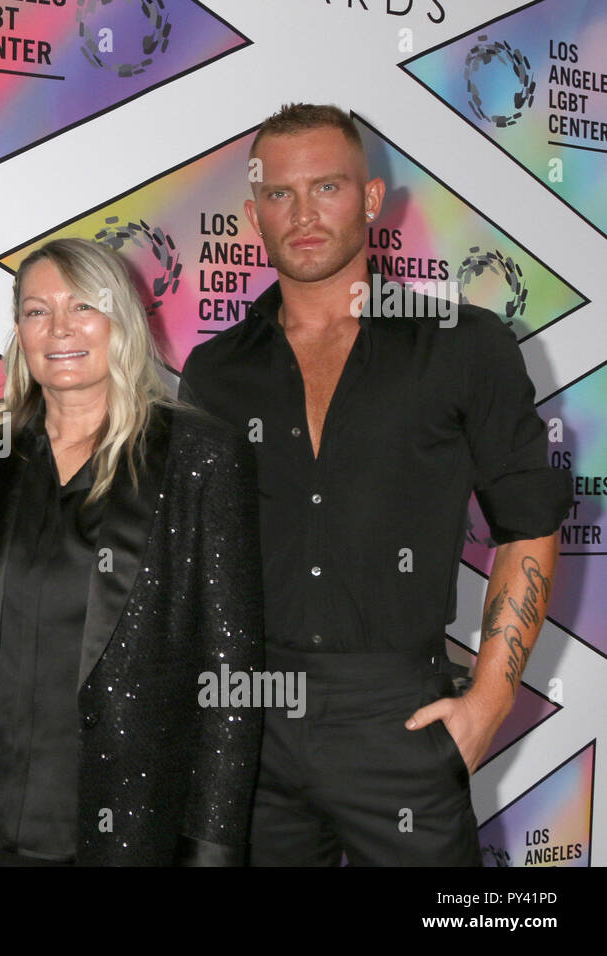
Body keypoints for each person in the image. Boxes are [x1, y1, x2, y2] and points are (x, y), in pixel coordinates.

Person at [177, 103, 573, 866]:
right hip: (249, 724)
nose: (303, 214)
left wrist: (490, 702)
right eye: (280, 193)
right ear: (255, 214)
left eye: (326, 187)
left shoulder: (463, 347)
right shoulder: (216, 372)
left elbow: (528, 525)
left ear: (369, 199)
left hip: (401, 717)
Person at [0, 237, 264, 867]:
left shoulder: (200, 458)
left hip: (133, 829)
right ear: (19, 330)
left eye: (83, 305)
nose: (59, 328)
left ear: (122, 319)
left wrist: (212, 849)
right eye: (37, 311)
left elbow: (230, 674)